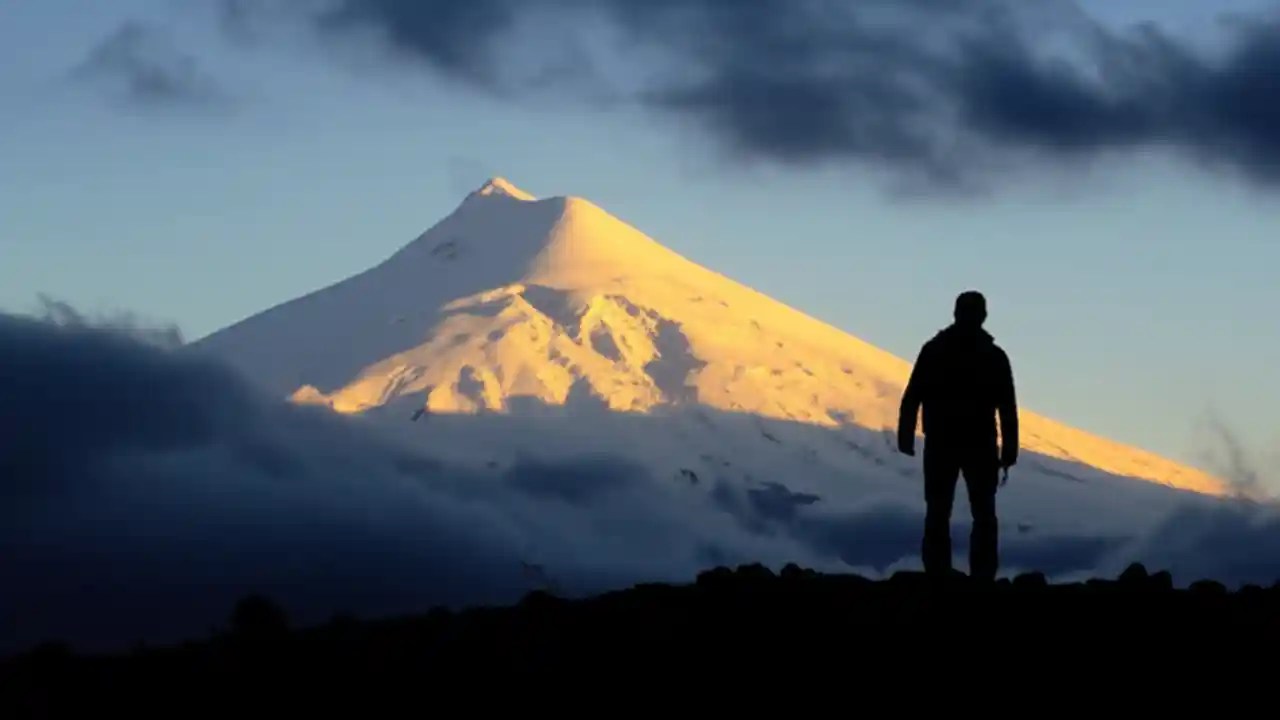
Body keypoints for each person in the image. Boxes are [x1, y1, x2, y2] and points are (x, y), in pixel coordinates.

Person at [897, 290, 1018, 583]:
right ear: (983, 315)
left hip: (943, 441)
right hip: (978, 443)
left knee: (940, 510)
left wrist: (906, 436)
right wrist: (1009, 450)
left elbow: (913, 395)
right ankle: (982, 574)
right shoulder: (993, 356)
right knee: (981, 513)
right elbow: (1007, 406)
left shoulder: (935, 350)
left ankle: (939, 571)